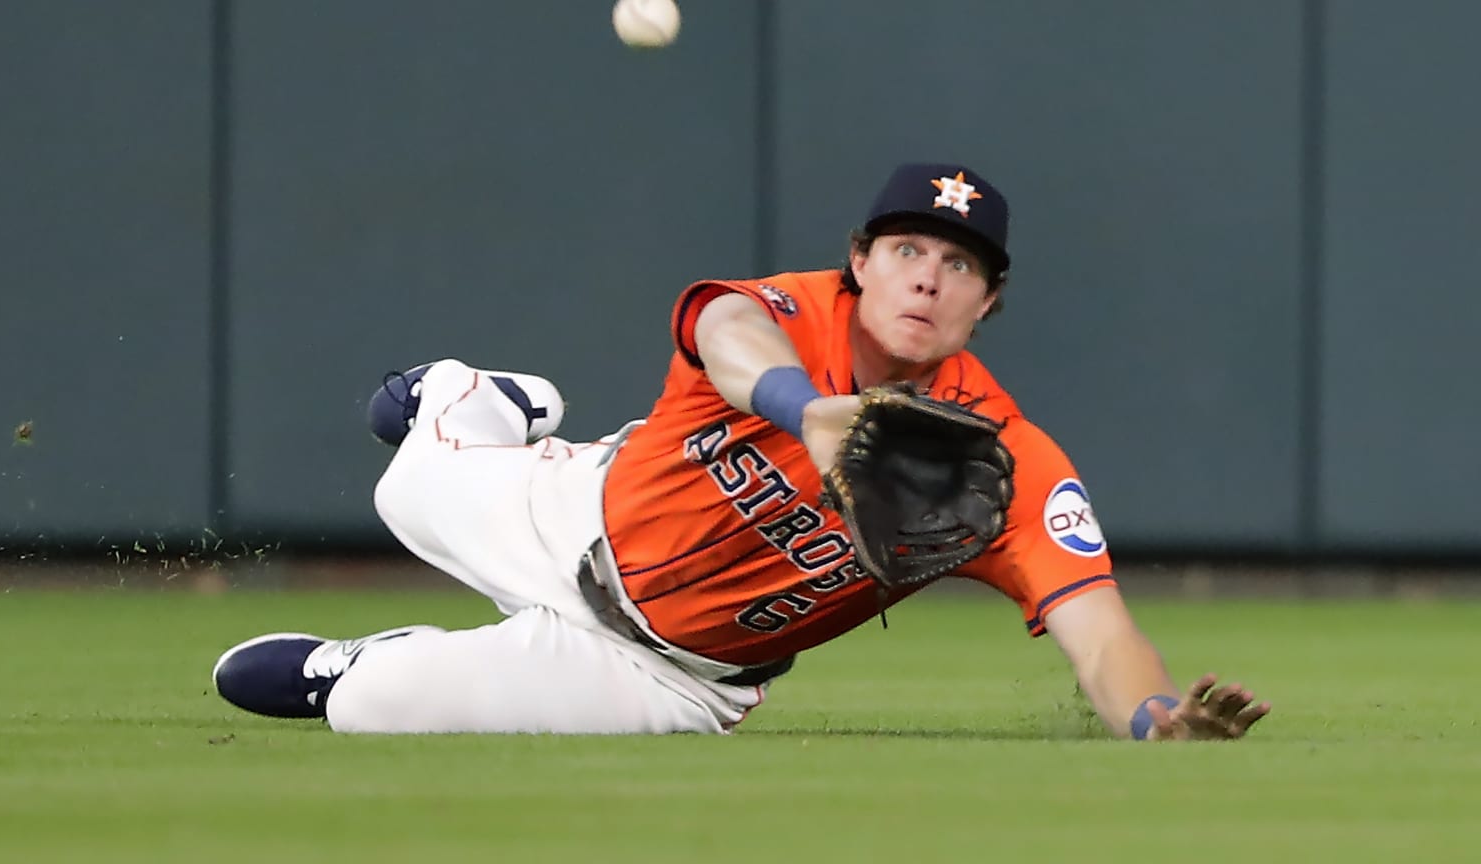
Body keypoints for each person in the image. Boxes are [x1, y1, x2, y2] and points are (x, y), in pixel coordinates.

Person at [212, 162, 1271, 740]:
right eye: (907, 249)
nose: (927, 278)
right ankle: (473, 400)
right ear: (859, 262)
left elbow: (1099, 631)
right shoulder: (788, 317)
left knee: (373, 711)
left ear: (988, 302)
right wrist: (808, 409)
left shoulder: (1003, 460)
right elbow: (725, 335)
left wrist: (1152, 715)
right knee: (405, 485)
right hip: (567, 511)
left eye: (960, 265)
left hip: (677, 674)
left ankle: (360, 661)